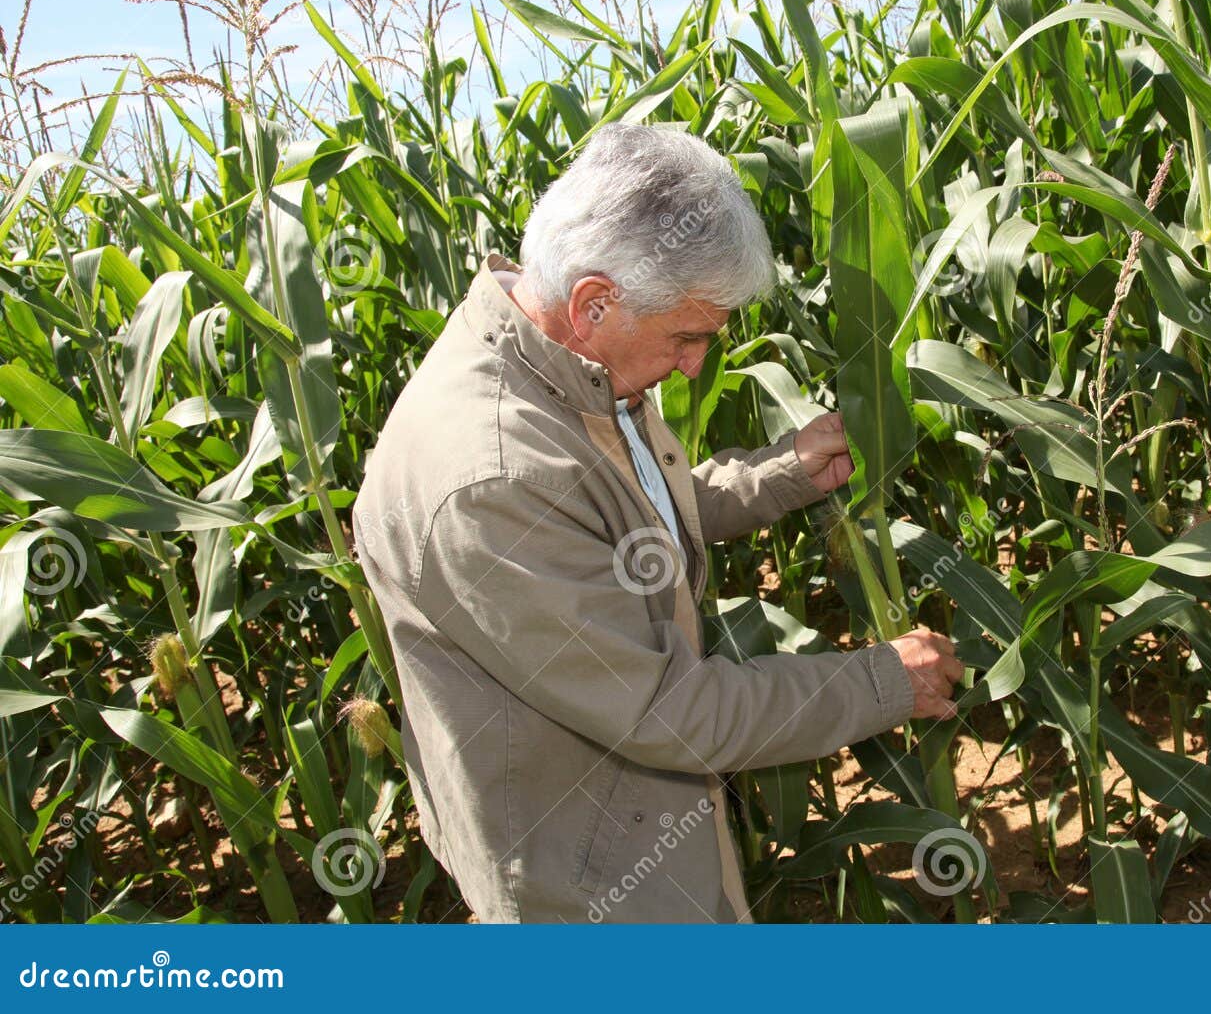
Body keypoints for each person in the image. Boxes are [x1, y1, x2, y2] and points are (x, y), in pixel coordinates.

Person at [352, 123, 964, 923]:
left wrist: (779, 474)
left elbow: (623, 522)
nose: (697, 364)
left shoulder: (569, 368)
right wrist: (882, 681)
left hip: (632, 826)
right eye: (688, 336)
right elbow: (661, 710)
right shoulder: (492, 476)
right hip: (589, 887)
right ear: (593, 300)